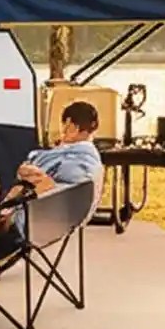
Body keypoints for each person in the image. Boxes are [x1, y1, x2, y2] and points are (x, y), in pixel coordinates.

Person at [8, 100, 105, 240]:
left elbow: (39, 177)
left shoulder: (70, 157)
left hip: (35, 221)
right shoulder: (91, 160)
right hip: (71, 220)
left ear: (71, 126)